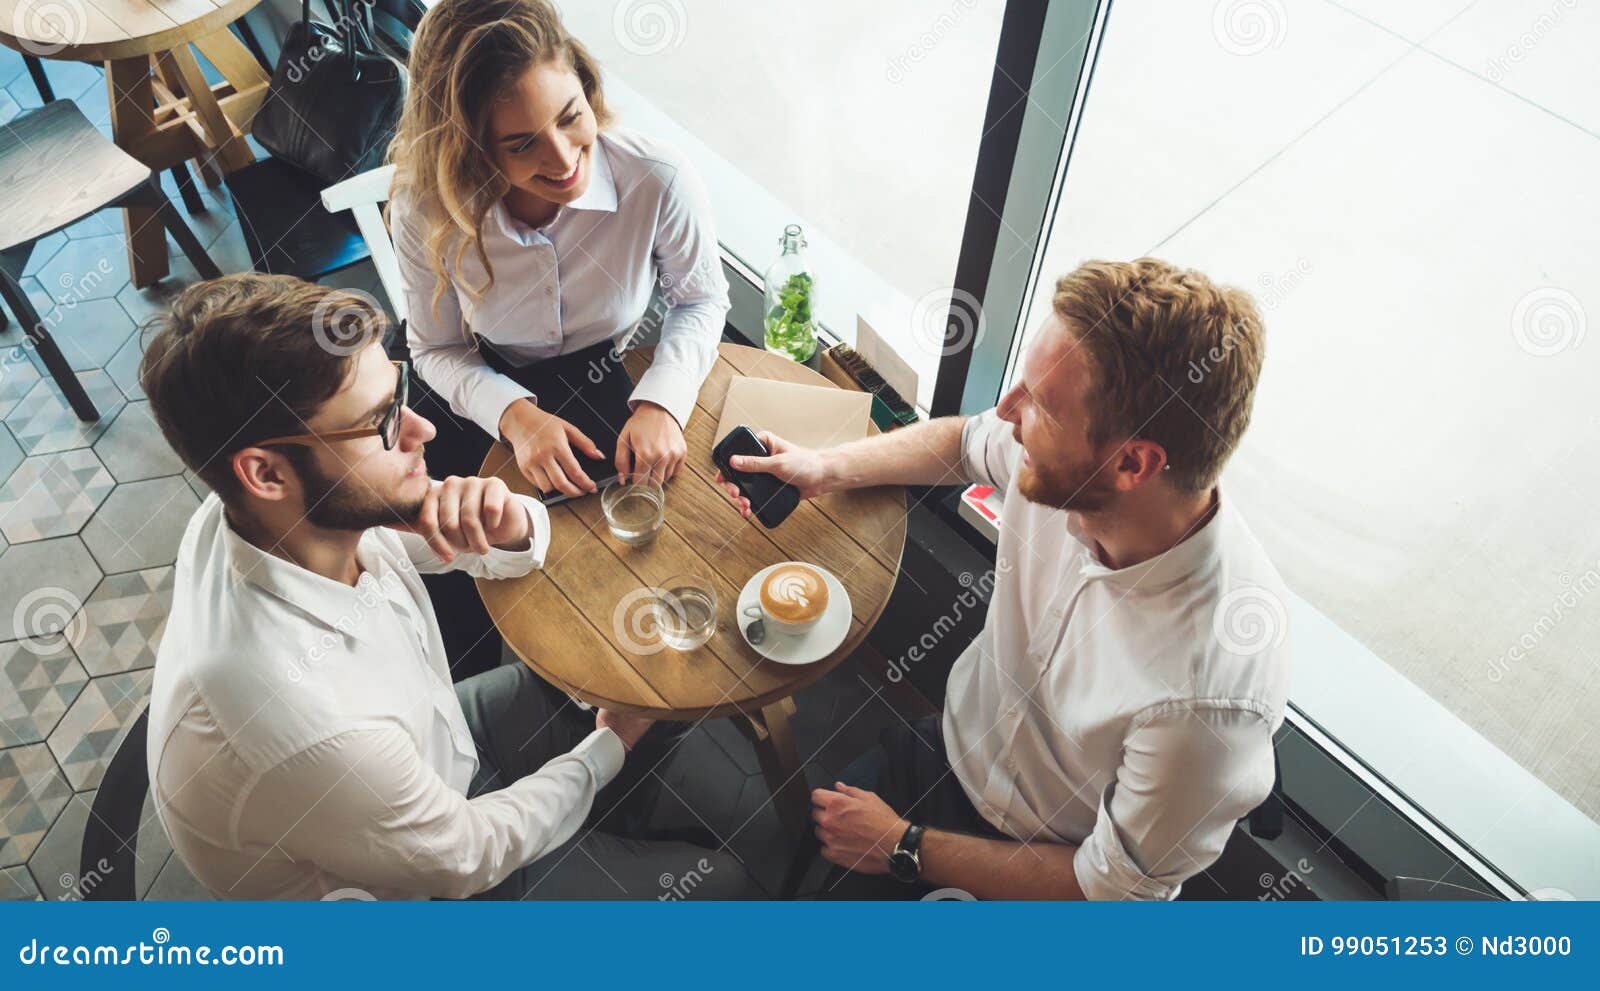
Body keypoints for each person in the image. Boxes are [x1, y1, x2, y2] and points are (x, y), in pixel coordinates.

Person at [141, 273, 750, 900]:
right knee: (723, 884)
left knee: (654, 687)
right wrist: (608, 745)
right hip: (423, 892)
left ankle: (606, 821)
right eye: (379, 422)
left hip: (434, 743)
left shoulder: (270, 514)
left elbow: (485, 545)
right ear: (266, 472)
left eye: (399, 387)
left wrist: (510, 522)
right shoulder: (308, 725)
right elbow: (467, 856)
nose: (421, 431)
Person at [716, 258, 1290, 900]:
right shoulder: (1071, 459)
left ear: (1133, 462)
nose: (1006, 410)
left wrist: (906, 847)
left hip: (1041, 868)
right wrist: (824, 467)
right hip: (953, 746)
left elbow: (1112, 890)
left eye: (1037, 404)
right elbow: (962, 443)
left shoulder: (1208, 700)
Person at [384, 0, 730, 673]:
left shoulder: (656, 177)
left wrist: (663, 399)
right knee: (465, 599)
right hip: (478, 391)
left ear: (586, 86)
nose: (567, 157)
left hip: (614, 385)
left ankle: (600, 726)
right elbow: (435, 350)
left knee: (619, 592)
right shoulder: (424, 210)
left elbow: (702, 297)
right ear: (469, 149)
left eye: (572, 116)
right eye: (521, 144)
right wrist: (514, 416)